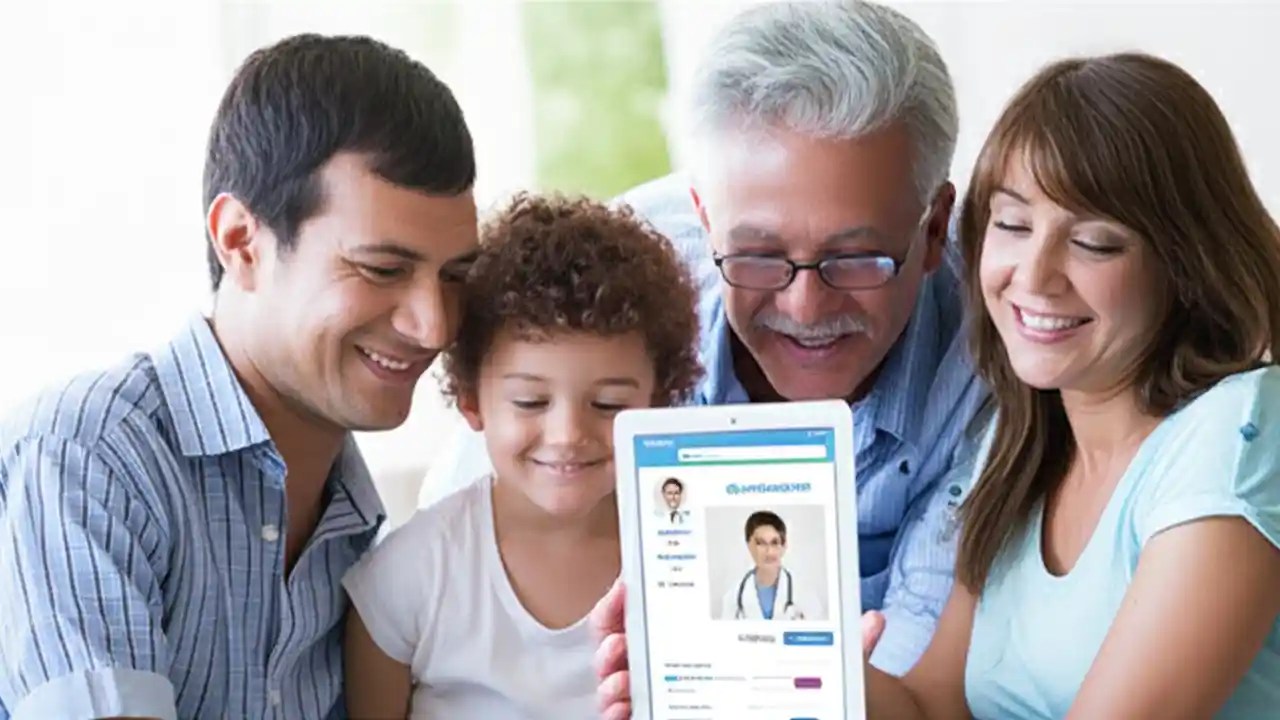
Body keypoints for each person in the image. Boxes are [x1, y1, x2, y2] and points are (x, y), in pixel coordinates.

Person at [0, 35, 479, 720]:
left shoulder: (360, 536)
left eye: (455, 276)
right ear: (240, 241)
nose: (434, 327)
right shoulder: (90, 454)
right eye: (381, 269)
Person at [592, 4, 989, 710]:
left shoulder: (998, 344)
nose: (805, 310)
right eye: (759, 256)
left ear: (931, 231)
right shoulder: (602, 291)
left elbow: (911, 689)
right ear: (705, 218)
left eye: (855, 258)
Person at [862, 52, 1280, 718]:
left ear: (1186, 264)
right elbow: (932, 706)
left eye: (1094, 242)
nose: (1034, 275)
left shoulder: (1242, 431)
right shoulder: (1020, 439)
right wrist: (795, 668)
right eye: (1014, 224)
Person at [341, 195, 702, 719]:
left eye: (608, 404)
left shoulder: (687, 557)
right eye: (531, 402)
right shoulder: (410, 577)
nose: (568, 434)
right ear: (471, 399)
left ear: (657, 404)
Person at [722, 511, 807, 621]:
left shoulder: (804, 592)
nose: (769, 551)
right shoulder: (732, 597)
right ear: (748, 545)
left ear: (784, 546)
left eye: (774, 542)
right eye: (760, 543)